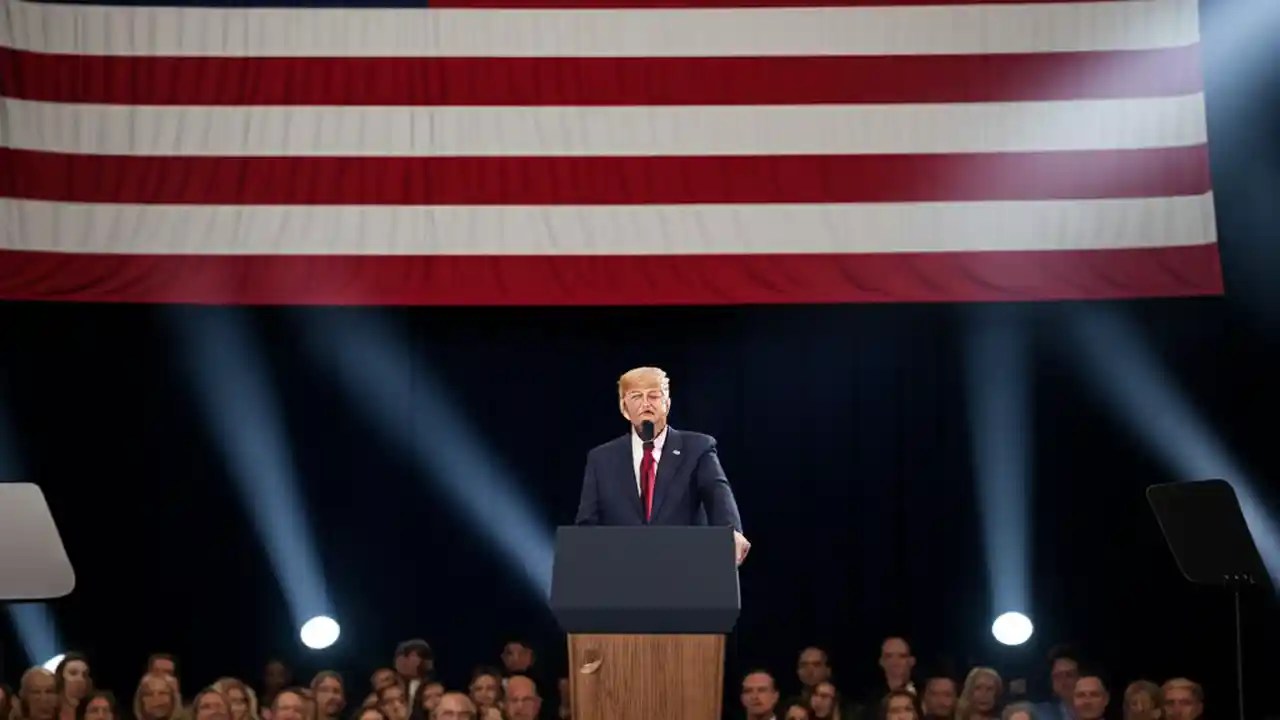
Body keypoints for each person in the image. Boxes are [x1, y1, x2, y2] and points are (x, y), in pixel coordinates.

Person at [574, 366, 750, 565]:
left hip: (685, 567)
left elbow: (717, 494)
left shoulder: (698, 448)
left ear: (667, 403)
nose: (645, 403)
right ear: (624, 408)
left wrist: (732, 532)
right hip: (622, 570)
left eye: (654, 396)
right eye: (636, 396)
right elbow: (586, 525)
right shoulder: (601, 459)